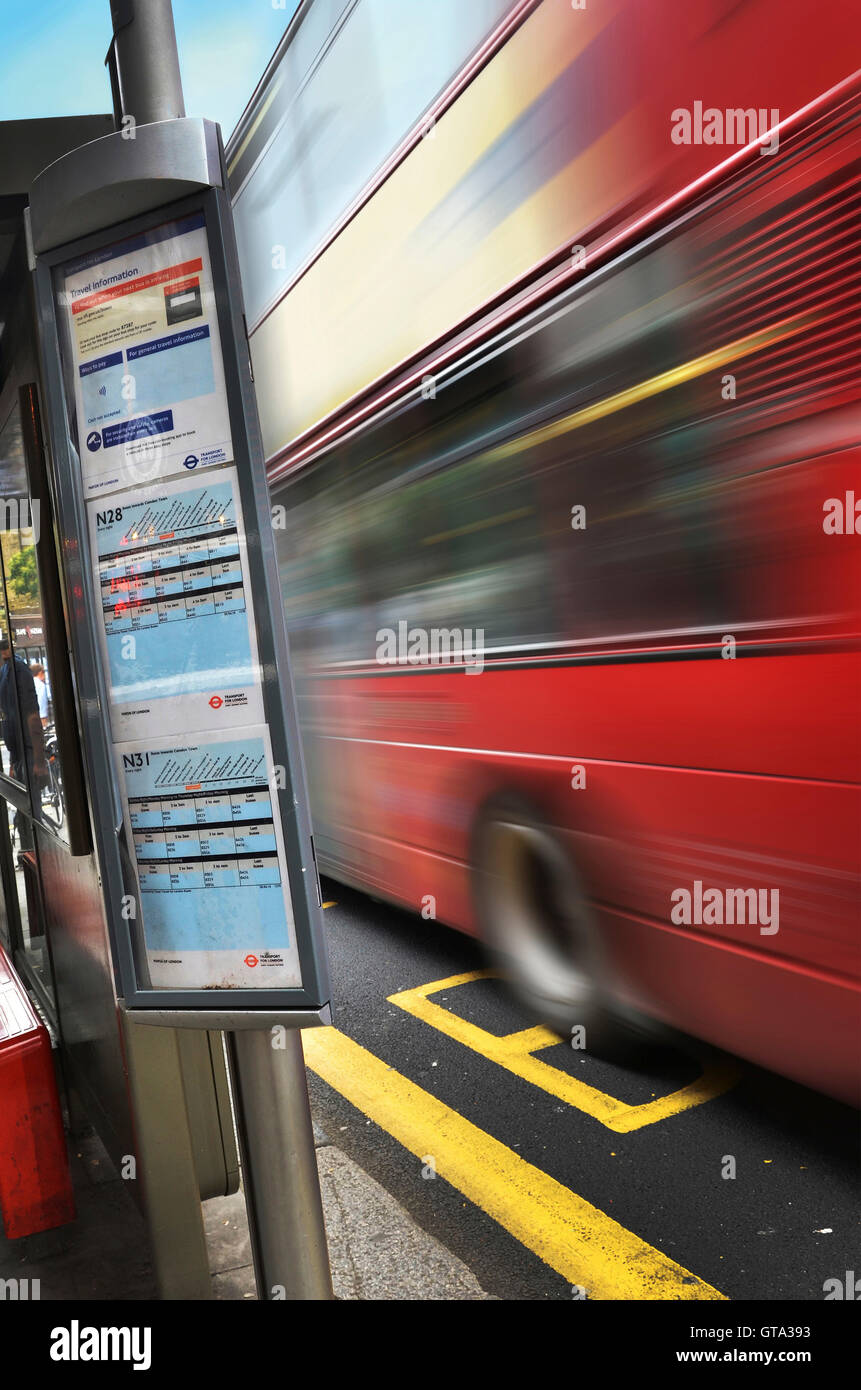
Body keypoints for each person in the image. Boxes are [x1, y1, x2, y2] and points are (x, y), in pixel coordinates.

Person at [0, 634, 47, 853]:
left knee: (32, 817)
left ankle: (37, 856)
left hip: (25, 753)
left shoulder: (17, 671)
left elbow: (32, 716)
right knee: (26, 815)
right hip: (20, 753)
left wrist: (39, 760)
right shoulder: (6, 671)